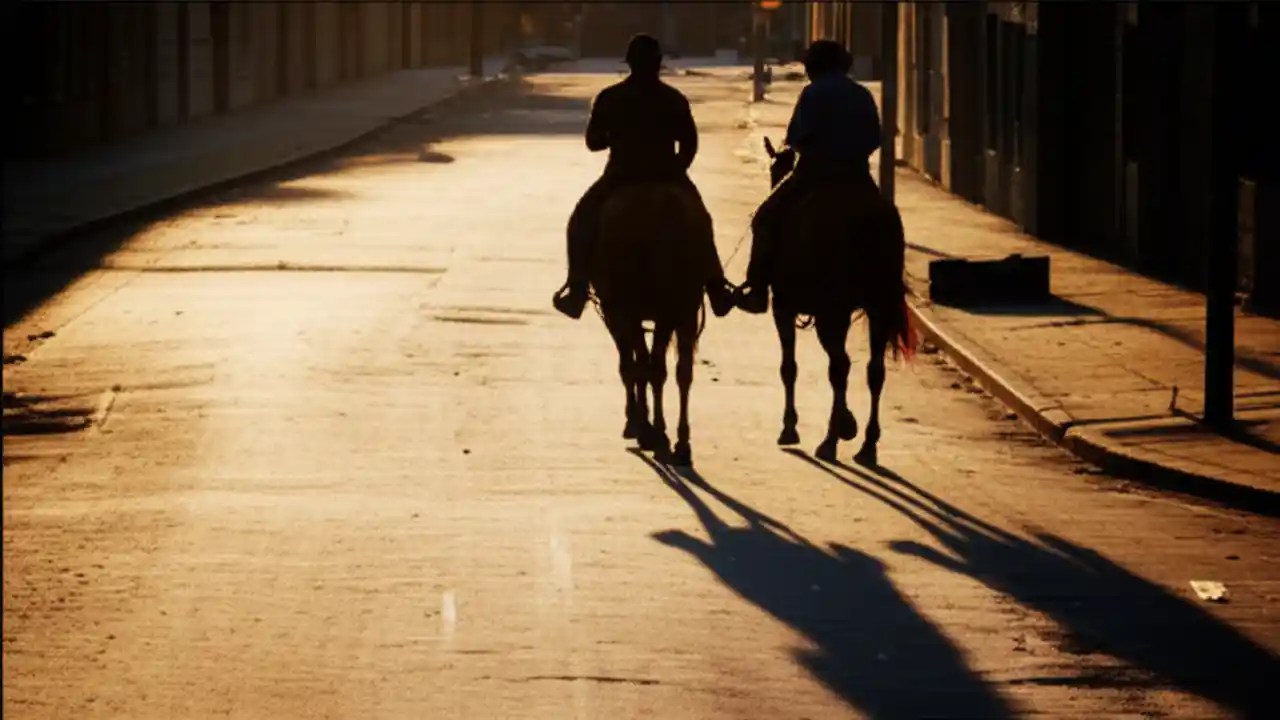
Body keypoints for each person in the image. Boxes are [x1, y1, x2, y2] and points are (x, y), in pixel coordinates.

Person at [552, 34, 736, 320]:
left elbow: (593, 142)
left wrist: (612, 137)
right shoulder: (673, 98)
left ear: (630, 65)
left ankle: (577, 289)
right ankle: (715, 287)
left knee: (581, 220)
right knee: (700, 221)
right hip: (666, 176)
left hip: (621, 177)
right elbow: (690, 143)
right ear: (658, 64)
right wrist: (677, 170)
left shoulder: (610, 97)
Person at [735, 40, 883, 313]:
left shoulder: (813, 93)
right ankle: (887, 288)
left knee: (765, 219)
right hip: (857, 175)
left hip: (815, 175)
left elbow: (797, 140)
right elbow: (875, 138)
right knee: (885, 224)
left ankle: (757, 291)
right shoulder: (862, 94)